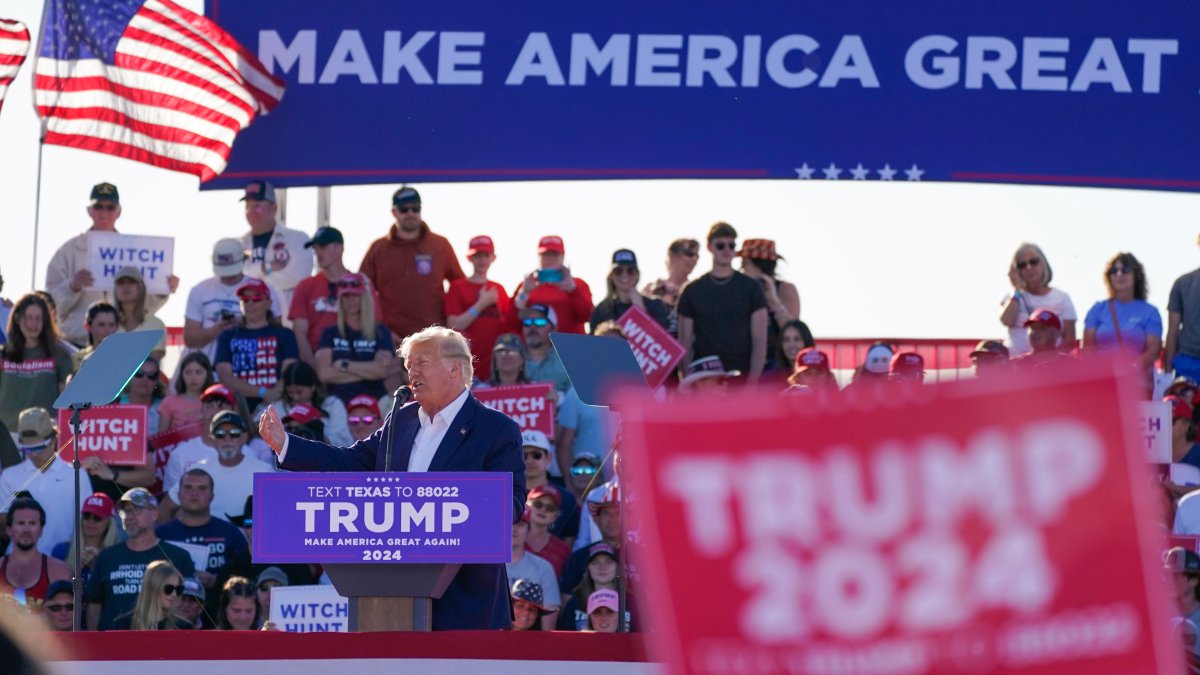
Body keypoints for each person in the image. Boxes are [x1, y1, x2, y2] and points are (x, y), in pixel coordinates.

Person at [261, 325, 524, 630]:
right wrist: (287, 445)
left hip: (465, 597)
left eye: (421, 362)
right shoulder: (402, 419)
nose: (411, 371)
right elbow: (354, 461)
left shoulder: (496, 429)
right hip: (394, 593)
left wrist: (445, 503)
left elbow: (512, 504)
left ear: (455, 368)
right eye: (408, 365)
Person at [43, 182, 175, 347]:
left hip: (119, 343)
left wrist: (162, 289)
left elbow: (143, 307)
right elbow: (49, 305)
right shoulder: (69, 251)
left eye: (110, 207)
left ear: (118, 212)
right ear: (89, 210)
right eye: (99, 206)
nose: (104, 212)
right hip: (76, 343)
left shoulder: (134, 252)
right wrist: (71, 286)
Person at [360, 187, 465, 341]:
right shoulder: (378, 248)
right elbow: (362, 291)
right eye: (404, 209)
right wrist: (378, 329)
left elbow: (459, 286)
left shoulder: (440, 245)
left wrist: (451, 327)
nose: (410, 213)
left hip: (433, 339)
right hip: (390, 340)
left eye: (415, 208)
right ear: (394, 212)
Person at [85, 488, 196, 630]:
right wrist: (95, 644)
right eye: (124, 512)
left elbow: (189, 604)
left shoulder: (178, 556)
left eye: (136, 510)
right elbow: (94, 606)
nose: (129, 517)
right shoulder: (107, 556)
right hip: (115, 644)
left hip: (165, 642)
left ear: (154, 513)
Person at [677, 222, 768, 385]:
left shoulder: (752, 288)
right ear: (709, 247)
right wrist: (688, 382)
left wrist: (752, 384)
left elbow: (760, 340)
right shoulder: (692, 290)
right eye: (720, 245)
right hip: (704, 381)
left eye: (731, 245)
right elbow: (684, 342)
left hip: (741, 379)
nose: (726, 250)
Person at [156, 468, 252, 613]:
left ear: (212, 496)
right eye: (188, 487)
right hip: (170, 615)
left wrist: (217, 580)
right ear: (178, 494)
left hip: (220, 615)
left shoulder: (230, 533)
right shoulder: (161, 534)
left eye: (202, 488)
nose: (194, 493)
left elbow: (247, 576)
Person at [0, 408, 93, 554]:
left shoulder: (77, 475)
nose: (33, 454)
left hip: (64, 560)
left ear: (54, 440)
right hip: (18, 564)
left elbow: (87, 522)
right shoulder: (9, 476)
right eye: (27, 449)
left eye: (38, 448)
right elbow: (3, 524)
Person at [183, 238, 284, 366]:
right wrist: (215, 330)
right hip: (205, 370)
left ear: (243, 261)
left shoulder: (264, 289)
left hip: (249, 366)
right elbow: (190, 339)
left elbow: (278, 331)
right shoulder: (199, 290)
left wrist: (245, 324)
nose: (228, 276)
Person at [160, 412, 274, 525]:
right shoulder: (198, 472)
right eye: (220, 434)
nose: (227, 438)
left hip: (250, 542)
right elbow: (165, 509)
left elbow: (283, 513)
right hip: (206, 541)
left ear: (244, 437)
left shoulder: (264, 472)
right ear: (212, 439)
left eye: (234, 433)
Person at [1083, 252, 1163, 397]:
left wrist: (1131, 369)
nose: (1119, 274)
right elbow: (1088, 348)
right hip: (1102, 384)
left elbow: (1154, 350)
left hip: (1136, 385)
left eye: (1125, 269)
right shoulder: (1097, 309)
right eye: (1114, 271)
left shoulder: (1150, 312)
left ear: (1136, 275)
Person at [214, 277, 300, 411]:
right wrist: (263, 393)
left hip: (278, 405)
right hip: (238, 406)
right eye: (245, 299)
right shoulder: (228, 336)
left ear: (269, 303)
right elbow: (225, 376)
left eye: (256, 298)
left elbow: (289, 372)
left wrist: (274, 396)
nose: (250, 304)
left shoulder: (285, 334)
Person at [314, 273, 395, 406]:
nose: (350, 300)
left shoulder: (381, 332)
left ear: (365, 298)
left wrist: (344, 365)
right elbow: (324, 374)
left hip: (374, 400)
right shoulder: (330, 332)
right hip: (338, 401)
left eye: (355, 295)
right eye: (346, 296)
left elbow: (381, 370)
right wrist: (368, 373)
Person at [0, 295, 73, 436]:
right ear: (17, 318)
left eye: (38, 318)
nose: (33, 324)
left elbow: (65, 401)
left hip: (43, 438)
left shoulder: (59, 355)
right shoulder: (3, 354)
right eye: (29, 318)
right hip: (7, 436)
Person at [239, 180, 313, 315]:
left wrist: (254, 279)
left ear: (273, 208)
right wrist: (266, 268)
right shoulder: (239, 245)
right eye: (247, 207)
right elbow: (235, 282)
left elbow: (298, 276)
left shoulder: (297, 238)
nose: (251, 211)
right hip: (251, 328)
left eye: (257, 206)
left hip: (288, 326)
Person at [290, 226, 359, 365]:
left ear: (339, 248)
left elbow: (372, 325)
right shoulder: (305, 286)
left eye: (322, 247)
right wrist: (314, 369)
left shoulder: (360, 284)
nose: (317, 252)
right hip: (316, 358)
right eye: (315, 248)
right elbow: (299, 333)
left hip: (355, 357)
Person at [445, 235, 511, 377]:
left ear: (493, 258)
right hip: (467, 366)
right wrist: (482, 303)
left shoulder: (498, 289)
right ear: (470, 258)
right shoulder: (458, 287)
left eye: (486, 255)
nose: (482, 260)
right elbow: (454, 326)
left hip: (495, 365)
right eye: (477, 256)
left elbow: (508, 325)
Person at [1001, 243, 1076, 357]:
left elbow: (1069, 340)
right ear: (1016, 270)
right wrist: (1017, 290)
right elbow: (1007, 321)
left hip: (1050, 368)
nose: (1029, 267)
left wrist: (1051, 362)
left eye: (1034, 262)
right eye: (1022, 265)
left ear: (1043, 263)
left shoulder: (1061, 297)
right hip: (1016, 368)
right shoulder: (1011, 297)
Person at [738, 238, 801, 372]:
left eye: (745, 263)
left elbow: (794, 330)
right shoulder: (739, 291)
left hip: (778, 367)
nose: (742, 268)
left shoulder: (784, 289)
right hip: (746, 363)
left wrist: (773, 300)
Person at [511, 235, 593, 335]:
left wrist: (573, 291)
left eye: (554, 254)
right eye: (545, 255)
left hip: (570, 347)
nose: (550, 259)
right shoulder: (526, 285)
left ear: (563, 256)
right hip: (537, 347)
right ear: (539, 257)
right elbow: (512, 324)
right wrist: (524, 293)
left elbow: (588, 317)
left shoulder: (578, 284)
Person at [0, 498, 70, 612]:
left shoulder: (60, 573)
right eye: (20, 523)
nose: (26, 530)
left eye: (32, 523)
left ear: (41, 530)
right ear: (9, 530)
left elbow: (67, 621)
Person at [268, 361, 351, 446]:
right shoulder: (279, 406)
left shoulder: (333, 404)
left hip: (326, 455)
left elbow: (345, 441)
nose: (295, 397)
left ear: (313, 387)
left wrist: (318, 437)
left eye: (299, 392)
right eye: (290, 392)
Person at [50, 493, 118, 590]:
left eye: (97, 518)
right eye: (86, 516)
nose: (90, 521)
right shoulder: (62, 550)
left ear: (109, 522)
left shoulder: (117, 554)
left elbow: (116, 592)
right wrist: (77, 568)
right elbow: (55, 589)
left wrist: (97, 566)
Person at [590, 249, 669, 332]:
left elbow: (661, 339)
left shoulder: (655, 305)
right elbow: (594, 341)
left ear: (637, 275)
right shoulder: (602, 310)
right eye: (618, 271)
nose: (624, 274)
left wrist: (641, 309)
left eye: (630, 271)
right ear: (611, 276)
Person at [506, 512, 560, 630]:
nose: (513, 528)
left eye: (520, 524)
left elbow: (548, 625)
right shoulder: (482, 566)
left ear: (528, 530)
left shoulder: (544, 568)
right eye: (508, 522)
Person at [522, 430, 577, 541]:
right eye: (523, 455)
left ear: (548, 458)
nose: (529, 460)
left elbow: (569, 542)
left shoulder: (567, 499)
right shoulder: (506, 495)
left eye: (536, 455)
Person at [558, 543, 626, 632]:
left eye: (608, 562)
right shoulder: (575, 603)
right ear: (588, 569)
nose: (602, 567)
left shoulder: (631, 603)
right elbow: (564, 639)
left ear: (617, 567)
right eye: (595, 563)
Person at [642, 238, 701, 337]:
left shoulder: (696, 291)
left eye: (697, 255)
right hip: (656, 345)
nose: (694, 259)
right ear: (673, 256)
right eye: (689, 254)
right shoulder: (652, 289)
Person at [111, 559, 192, 630]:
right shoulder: (123, 625)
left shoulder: (184, 627)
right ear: (153, 588)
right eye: (169, 589)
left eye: (178, 589)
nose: (174, 594)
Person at [112, 266, 167, 361]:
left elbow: (154, 360)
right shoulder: (107, 324)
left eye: (131, 282)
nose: (126, 286)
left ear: (141, 288)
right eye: (121, 283)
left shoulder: (155, 324)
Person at [1167, 237, 1200, 383]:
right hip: (1187, 365)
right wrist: (1167, 375)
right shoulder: (1182, 283)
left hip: (1187, 364)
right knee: (1183, 407)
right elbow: (1172, 332)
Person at [158, 352, 216, 433]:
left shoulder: (216, 403)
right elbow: (161, 437)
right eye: (188, 372)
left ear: (207, 374)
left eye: (198, 372)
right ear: (182, 375)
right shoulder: (169, 402)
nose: (193, 377)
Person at [520, 305, 572, 393]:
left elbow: (577, 400)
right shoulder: (509, 358)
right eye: (527, 322)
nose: (532, 327)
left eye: (540, 322)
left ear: (554, 329)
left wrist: (560, 399)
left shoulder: (568, 361)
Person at [524, 485, 571, 577]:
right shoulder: (513, 540)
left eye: (550, 508)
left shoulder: (563, 550)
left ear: (555, 516)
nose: (543, 510)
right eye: (537, 504)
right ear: (526, 507)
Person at [71, 301, 119, 370]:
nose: (107, 330)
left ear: (117, 327)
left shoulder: (123, 358)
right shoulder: (76, 360)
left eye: (111, 325)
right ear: (87, 326)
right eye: (101, 324)